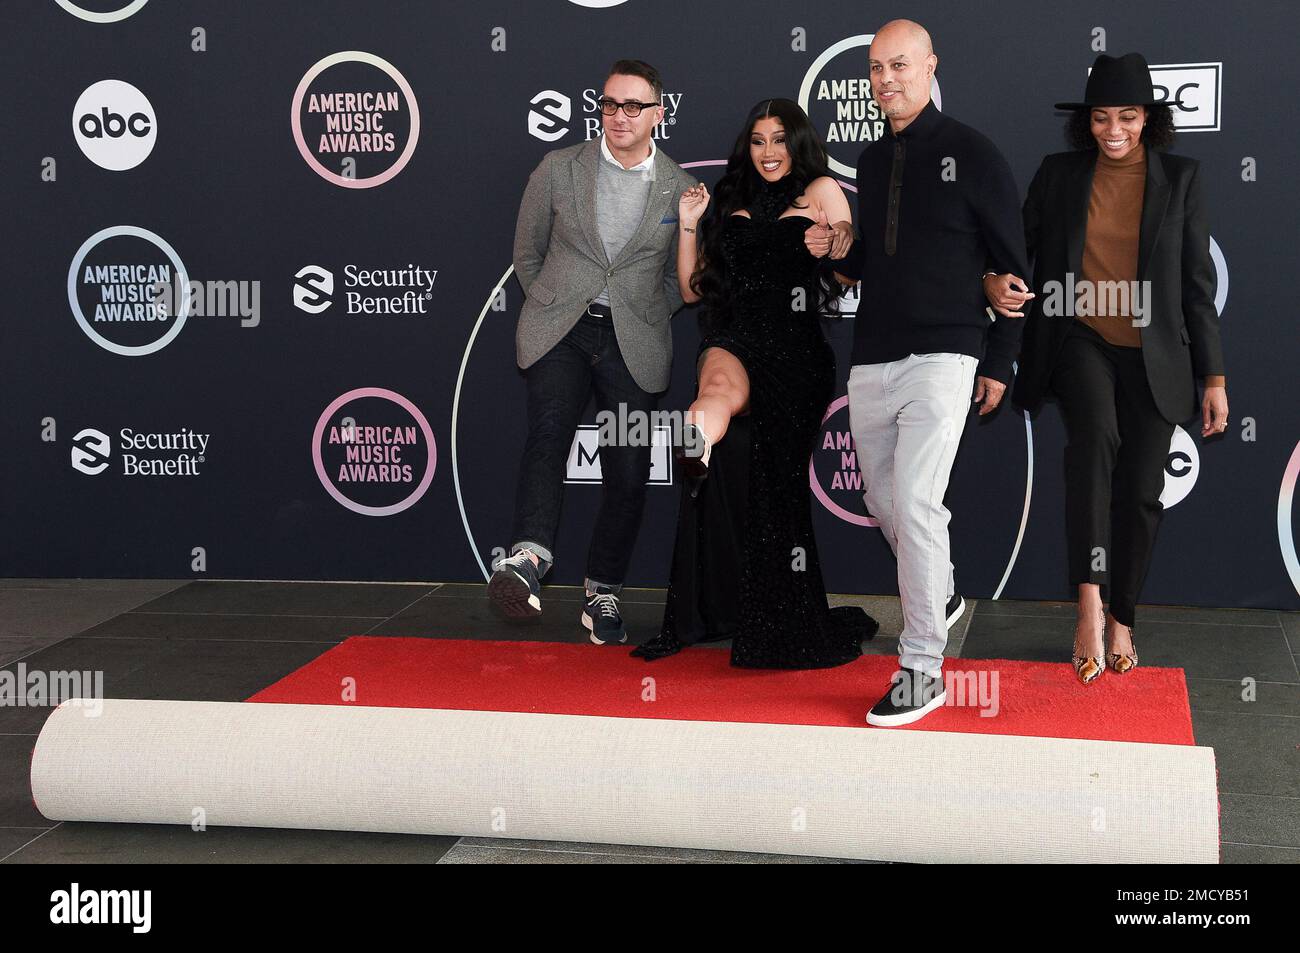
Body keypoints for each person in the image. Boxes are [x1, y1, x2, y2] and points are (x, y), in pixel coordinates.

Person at [807, 19, 1030, 725]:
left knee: (917, 505)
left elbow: (1015, 271)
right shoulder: (870, 162)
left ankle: (923, 667)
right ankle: (944, 592)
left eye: (899, 65)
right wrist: (833, 252)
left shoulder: (975, 152)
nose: (886, 80)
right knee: (884, 504)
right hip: (872, 357)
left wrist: (999, 359)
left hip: (947, 353)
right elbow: (873, 255)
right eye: (876, 69)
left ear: (931, 66)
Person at [630, 98, 878, 667]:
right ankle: (696, 441)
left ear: (798, 143)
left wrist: (834, 240)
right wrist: (689, 226)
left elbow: (846, 247)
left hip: (795, 354)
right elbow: (694, 290)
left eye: (779, 139)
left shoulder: (820, 189)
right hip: (735, 332)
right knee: (712, 394)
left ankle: (778, 620)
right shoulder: (730, 196)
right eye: (759, 140)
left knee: (776, 489)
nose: (768, 152)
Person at [1013, 52, 1228, 683]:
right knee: (1093, 443)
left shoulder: (1182, 179)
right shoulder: (1057, 175)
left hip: (1156, 355)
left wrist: (1213, 376)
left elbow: (1195, 283)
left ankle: (1123, 618)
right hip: (1078, 337)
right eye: (1102, 117)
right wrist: (994, 278)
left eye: (1127, 117)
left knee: (1138, 491)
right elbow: (1014, 246)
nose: (1114, 129)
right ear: (1087, 123)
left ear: (1148, 119)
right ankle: (1087, 605)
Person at [489, 59, 698, 646]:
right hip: (562, 331)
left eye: (634, 106)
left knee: (628, 470)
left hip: (633, 343)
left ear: (659, 114)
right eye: (610, 104)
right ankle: (528, 559)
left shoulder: (680, 189)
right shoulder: (558, 169)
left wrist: (641, 314)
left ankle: (602, 590)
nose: (619, 116)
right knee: (550, 432)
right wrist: (558, 302)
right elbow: (527, 256)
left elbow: (679, 282)